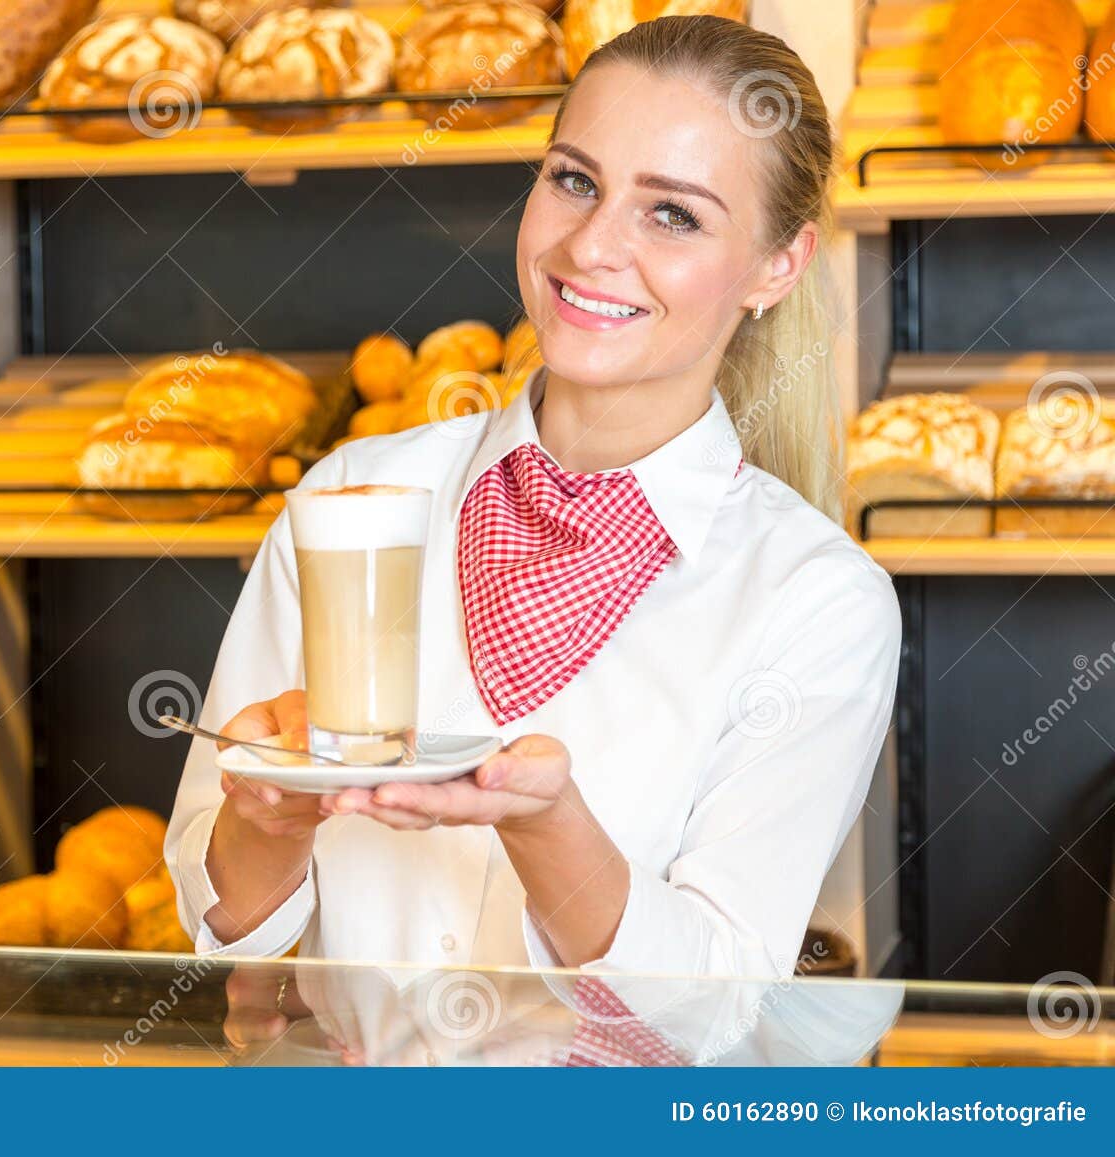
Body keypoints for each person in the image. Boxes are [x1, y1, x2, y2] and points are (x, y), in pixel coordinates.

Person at [163, 15, 901, 980]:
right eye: (574, 180)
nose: (592, 245)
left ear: (778, 265)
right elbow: (223, 926)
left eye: (672, 214)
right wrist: (266, 817)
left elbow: (716, 1005)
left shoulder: (817, 600)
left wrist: (549, 825)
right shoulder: (352, 497)